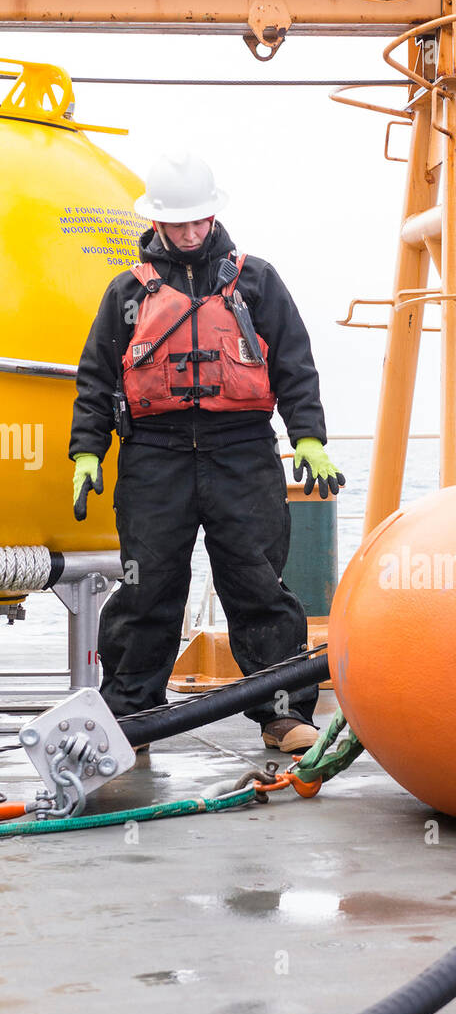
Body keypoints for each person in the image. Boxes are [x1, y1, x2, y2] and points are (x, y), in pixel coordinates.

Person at [68, 151, 343, 754]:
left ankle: (282, 716)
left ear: (214, 215)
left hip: (242, 452)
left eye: (200, 221)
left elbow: (294, 364)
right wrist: (86, 453)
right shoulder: (126, 294)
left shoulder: (258, 280)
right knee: (146, 588)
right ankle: (132, 720)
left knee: (257, 584)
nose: (191, 233)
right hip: (153, 457)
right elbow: (96, 380)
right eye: (179, 223)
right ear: (158, 223)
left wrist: (310, 439)